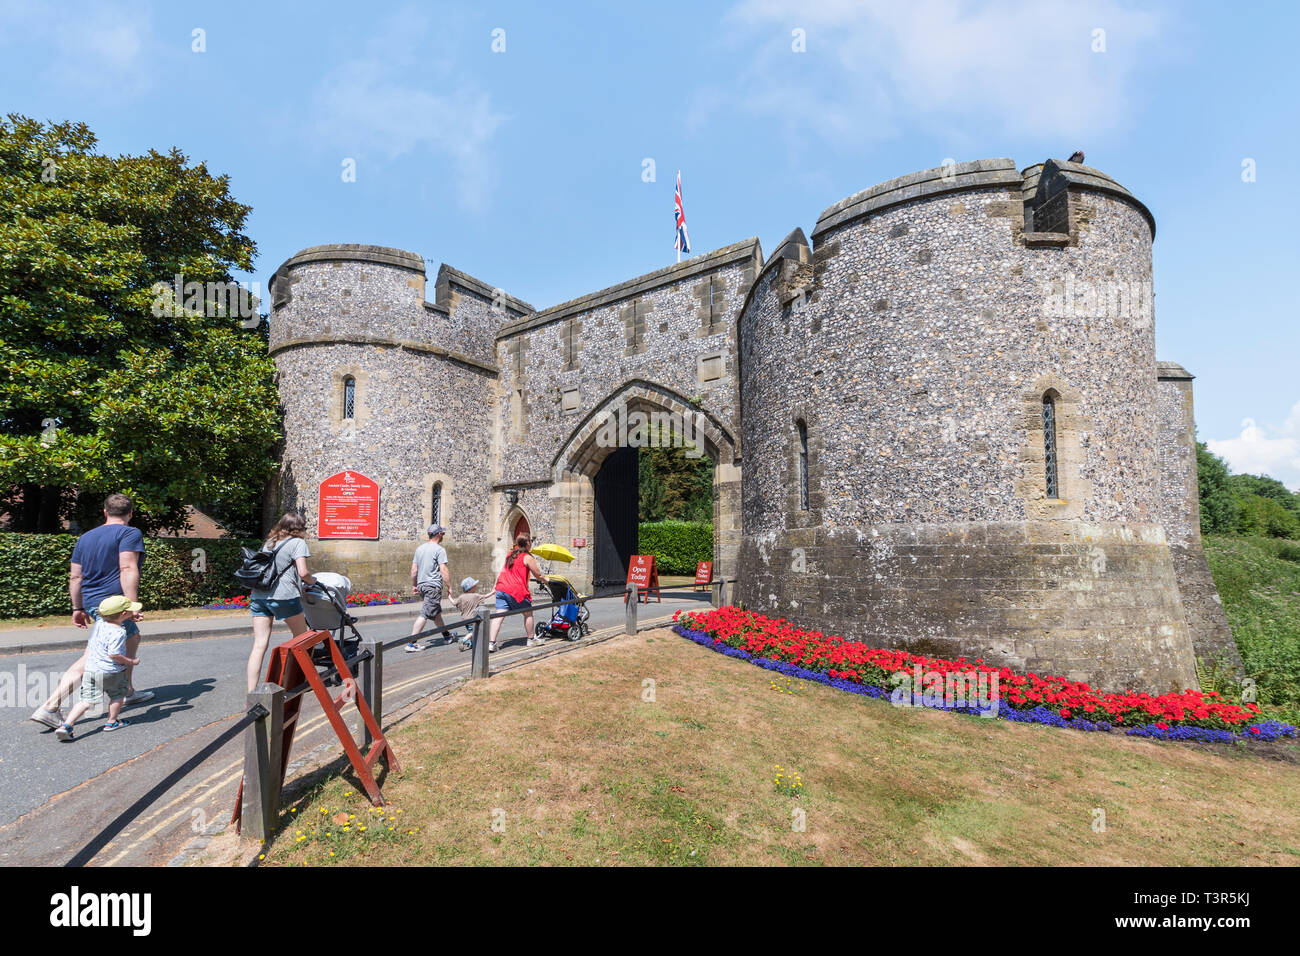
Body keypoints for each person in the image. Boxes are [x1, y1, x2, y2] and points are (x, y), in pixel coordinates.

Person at [30, 493, 153, 731]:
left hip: (93, 601)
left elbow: (76, 576)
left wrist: (77, 607)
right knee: (91, 658)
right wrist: (132, 605)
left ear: (105, 512)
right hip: (114, 605)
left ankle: (126, 690)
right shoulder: (129, 533)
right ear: (130, 513)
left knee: (133, 636)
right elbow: (127, 567)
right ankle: (50, 706)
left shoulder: (85, 538)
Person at [55, 595, 143, 741]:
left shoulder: (101, 623)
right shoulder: (119, 632)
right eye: (129, 610)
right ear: (123, 614)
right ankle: (112, 722)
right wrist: (130, 661)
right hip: (112, 672)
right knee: (118, 696)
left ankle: (66, 725)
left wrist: (128, 616)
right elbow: (114, 654)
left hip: (91, 670)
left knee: (86, 701)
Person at [246, 513, 317, 692]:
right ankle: (297, 681)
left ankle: (251, 692)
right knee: (303, 639)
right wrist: (312, 581)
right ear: (300, 528)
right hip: (284, 596)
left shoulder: (269, 542)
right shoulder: (298, 543)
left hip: (259, 596)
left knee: (259, 644)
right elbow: (303, 572)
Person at [487, 534, 549, 651]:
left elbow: (502, 571)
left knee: (499, 615)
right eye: (530, 541)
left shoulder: (510, 554)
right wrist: (547, 580)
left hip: (501, 588)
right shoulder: (527, 557)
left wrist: (495, 586)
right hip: (516, 591)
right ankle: (531, 639)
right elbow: (538, 574)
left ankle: (492, 643)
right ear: (527, 544)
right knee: (528, 613)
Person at [406, 524, 452, 652]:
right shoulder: (439, 549)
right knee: (425, 613)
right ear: (438, 534)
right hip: (433, 586)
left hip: (422, 585)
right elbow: (443, 569)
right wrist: (450, 586)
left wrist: (414, 585)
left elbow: (414, 570)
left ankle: (446, 635)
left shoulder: (419, 549)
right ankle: (411, 643)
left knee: (435, 612)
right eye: (442, 533)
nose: (443, 536)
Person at [452, 575, 492, 650]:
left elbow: (454, 603)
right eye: (474, 585)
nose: (476, 586)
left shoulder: (461, 597)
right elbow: (485, 596)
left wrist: (449, 597)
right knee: (474, 632)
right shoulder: (475, 596)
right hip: (472, 618)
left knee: (470, 631)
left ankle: (471, 643)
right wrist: (493, 592)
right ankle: (463, 640)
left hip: (464, 619)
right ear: (470, 588)